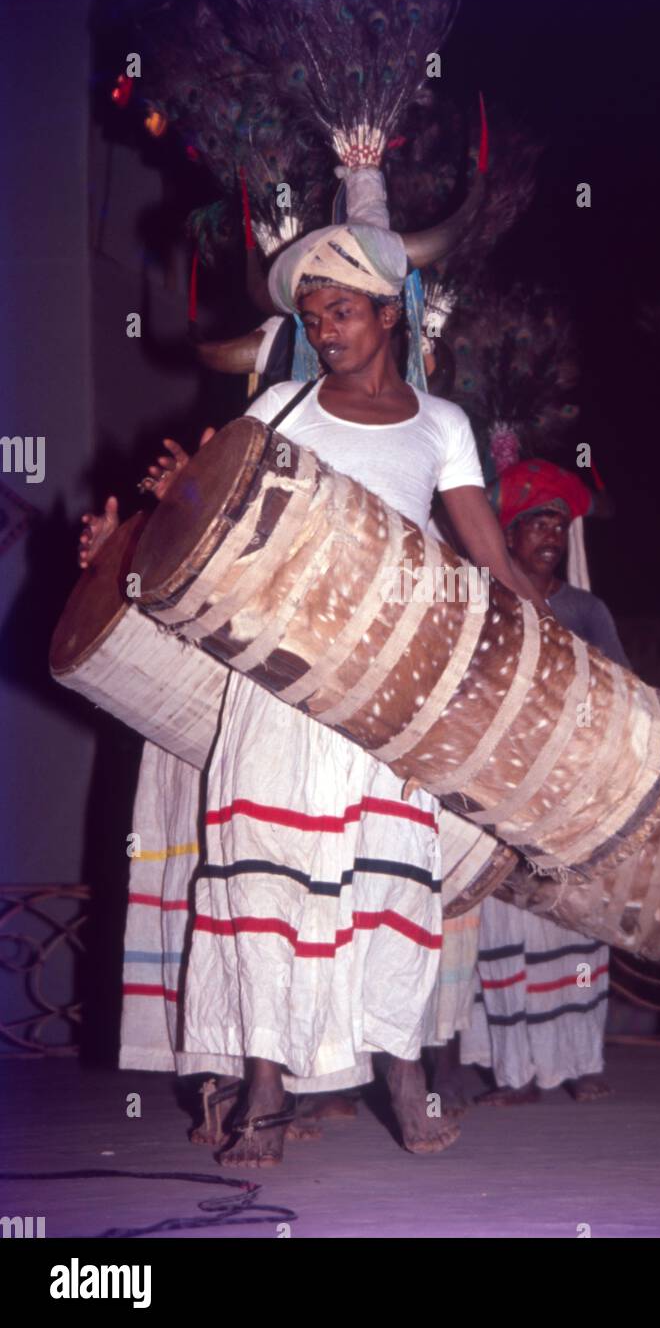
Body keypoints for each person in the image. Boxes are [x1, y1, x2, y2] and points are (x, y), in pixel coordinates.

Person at [80, 185, 549, 1166]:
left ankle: (405, 1074)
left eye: (344, 309)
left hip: (388, 688)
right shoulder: (279, 406)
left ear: (390, 313)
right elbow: (210, 521)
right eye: (313, 314)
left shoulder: (444, 425)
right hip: (280, 679)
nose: (327, 329)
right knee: (265, 875)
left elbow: (494, 563)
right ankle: (263, 1094)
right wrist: (171, 500)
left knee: (394, 880)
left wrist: (542, 659)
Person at [459, 460, 627, 1103]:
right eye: (537, 523)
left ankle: (580, 1064)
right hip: (501, 786)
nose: (551, 534)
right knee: (508, 930)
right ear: (507, 534)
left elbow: (623, 689)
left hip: (572, 791)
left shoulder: (586, 609)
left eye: (559, 523)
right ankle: (516, 1073)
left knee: (576, 921)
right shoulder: (485, 601)